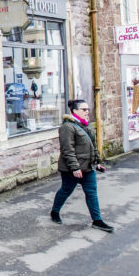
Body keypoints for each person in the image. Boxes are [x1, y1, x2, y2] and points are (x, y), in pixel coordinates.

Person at [50, 99, 114, 233]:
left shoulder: (87, 125)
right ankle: (55, 212)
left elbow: (93, 146)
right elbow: (67, 149)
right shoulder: (67, 127)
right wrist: (75, 168)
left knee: (91, 193)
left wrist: (97, 163)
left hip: (88, 167)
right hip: (71, 169)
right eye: (84, 109)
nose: (87, 112)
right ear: (74, 111)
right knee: (66, 190)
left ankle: (97, 220)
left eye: (88, 109)